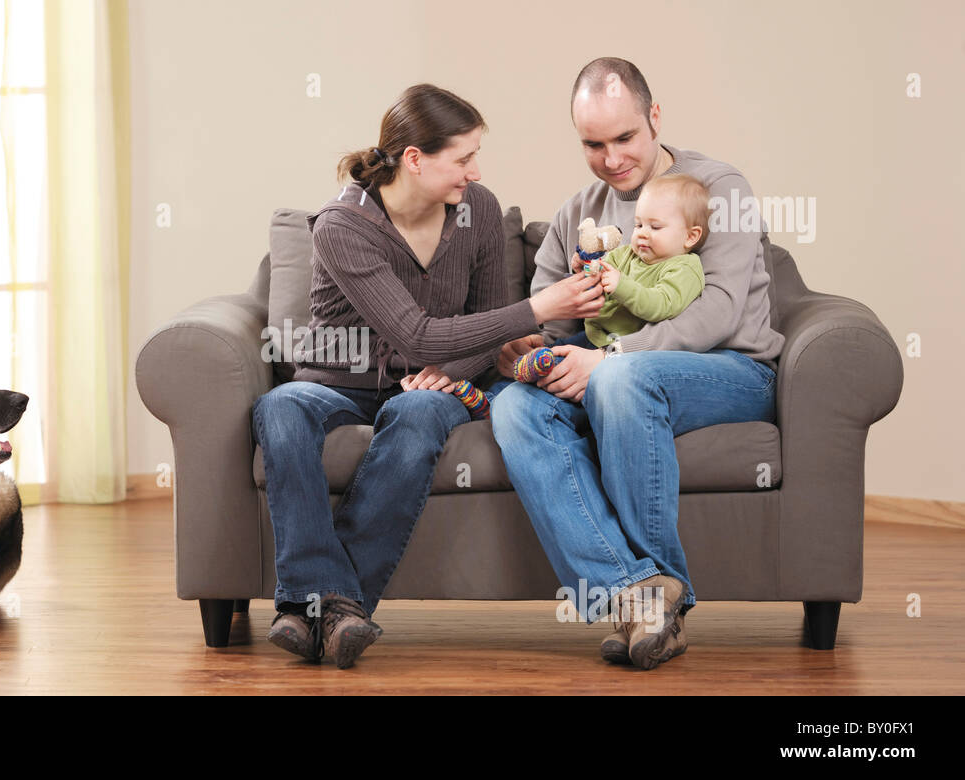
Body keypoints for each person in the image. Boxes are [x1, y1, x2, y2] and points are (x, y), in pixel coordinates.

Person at [251, 84, 604, 669]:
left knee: (416, 415)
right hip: (338, 378)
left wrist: (449, 371)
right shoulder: (342, 226)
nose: (475, 170)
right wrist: (542, 307)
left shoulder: (480, 210)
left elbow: (489, 326)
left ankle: (316, 610)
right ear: (415, 159)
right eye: (463, 157)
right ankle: (332, 604)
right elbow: (415, 334)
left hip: (437, 384)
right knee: (280, 408)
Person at [490, 58, 785, 670]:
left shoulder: (716, 189)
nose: (612, 158)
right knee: (516, 405)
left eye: (624, 138)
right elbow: (551, 324)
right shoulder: (578, 212)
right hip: (616, 370)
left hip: (727, 371)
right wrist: (528, 350)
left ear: (654, 118)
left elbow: (722, 312)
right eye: (593, 144)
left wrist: (607, 357)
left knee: (619, 375)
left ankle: (655, 593)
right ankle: (638, 596)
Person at [549, 173, 710, 351]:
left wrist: (621, 285)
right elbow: (597, 289)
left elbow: (661, 305)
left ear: (690, 236)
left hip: (629, 348)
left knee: (563, 363)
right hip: (595, 335)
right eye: (638, 225)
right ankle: (537, 362)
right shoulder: (626, 254)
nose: (642, 233)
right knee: (553, 351)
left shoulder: (684, 268)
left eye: (655, 227)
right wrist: (586, 270)